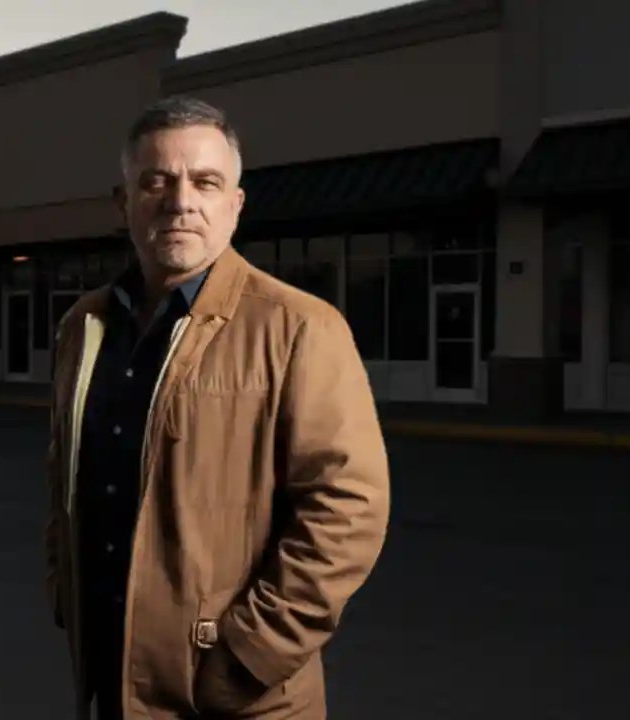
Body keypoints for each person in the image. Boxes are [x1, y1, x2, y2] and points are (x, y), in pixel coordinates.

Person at [44, 95, 390, 719]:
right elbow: (64, 477)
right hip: (111, 676)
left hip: (240, 696)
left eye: (206, 182)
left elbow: (348, 509)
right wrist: (65, 591)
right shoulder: (84, 325)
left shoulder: (299, 327)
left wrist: (251, 655)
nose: (181, 201)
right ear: (124, 202)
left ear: (235, 204)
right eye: (157, 181)